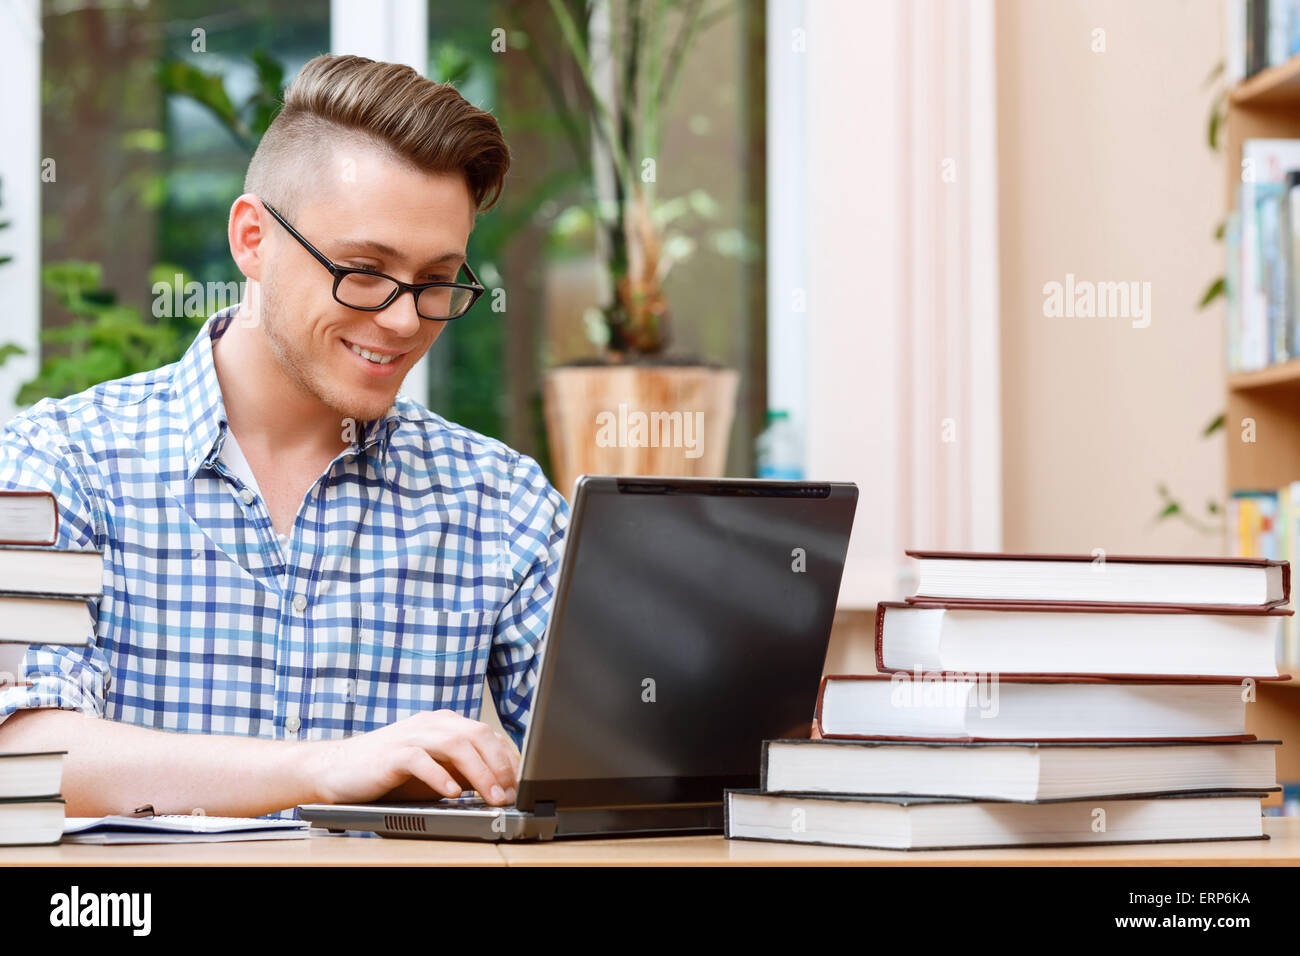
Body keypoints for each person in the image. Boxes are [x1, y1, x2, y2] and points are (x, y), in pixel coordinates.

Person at [0, 54, 569, 821]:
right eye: (364, 270)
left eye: (438, 280)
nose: (404, 320)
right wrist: (327, 770)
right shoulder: (61, 464)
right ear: (252, 239)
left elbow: (621, 756)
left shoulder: (502, 503)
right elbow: (24, 748)